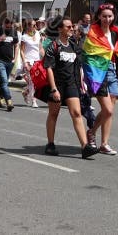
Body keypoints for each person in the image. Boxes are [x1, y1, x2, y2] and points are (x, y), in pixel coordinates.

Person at [41, 17, 98, 159]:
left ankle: (85, 146)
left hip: (72, 84)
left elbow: (78, 66)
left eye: (72, 26)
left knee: (76, 113)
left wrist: (81, 85)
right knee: (54, 114)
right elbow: (48, 68)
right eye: (68, 27)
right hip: (57, 84)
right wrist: (53, 89)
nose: (71, 29)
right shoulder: (53, 46)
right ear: (60, 29)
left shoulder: (74, 45)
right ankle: (50, 144)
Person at [82, 3, 118, 156]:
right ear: (98, 16)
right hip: (99, 73)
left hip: (113, 71)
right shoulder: (93, 32)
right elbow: (88, 55)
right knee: (108, 110)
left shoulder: (116, 32)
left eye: (110, 16)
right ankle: (92, 133)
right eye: (104, 16)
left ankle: (102, 142)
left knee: (108, 111)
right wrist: (89, 75)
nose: (107, 19)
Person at [0, 17, 20, 111]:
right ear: (3, 24)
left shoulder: (13, 31)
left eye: (10, 27)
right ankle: (8, 100)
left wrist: (15, 57)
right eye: (7, 27)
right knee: (5, 81)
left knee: (3, 81)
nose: (8, 29)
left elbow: (16, 44)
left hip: (9, 61)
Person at [19, 19, 43, 107]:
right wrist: (25, 61)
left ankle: (26, 92)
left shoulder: (37, 34)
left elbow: (40, 48)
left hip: (37, 60)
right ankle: (34, 101)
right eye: (32, 25)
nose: (34, 27)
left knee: (36, 81)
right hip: (28, 61)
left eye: (34, 25)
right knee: (32, 82)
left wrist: (45, 58)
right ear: (27, 26)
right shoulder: (24, 37)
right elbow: (22, 50)